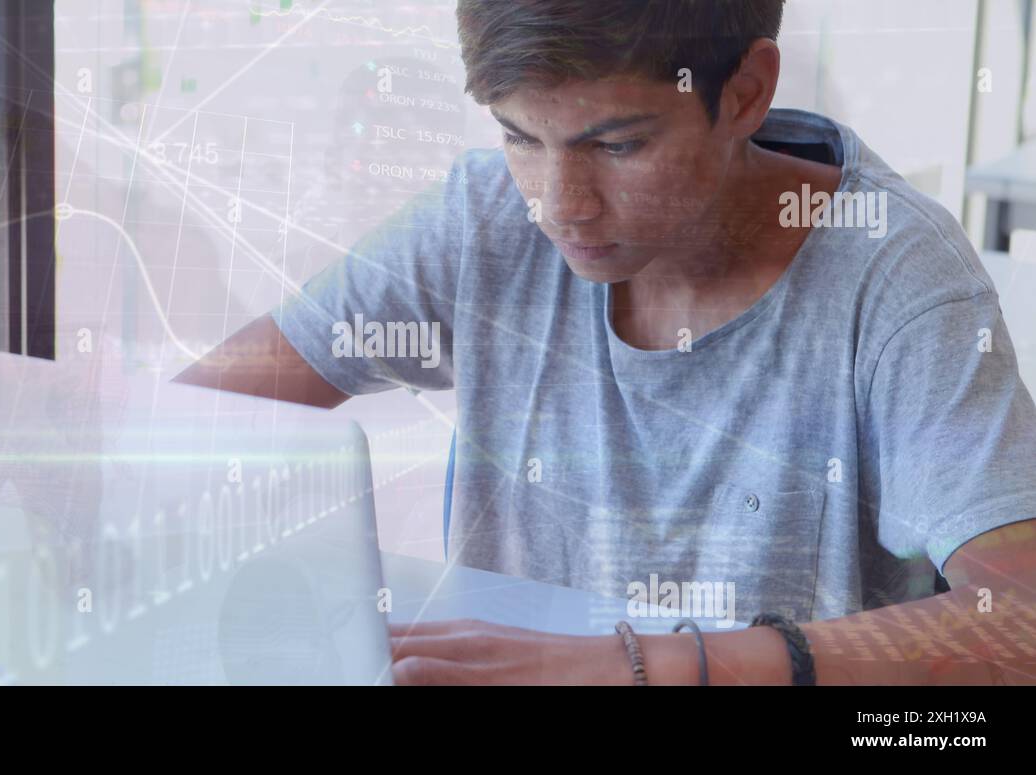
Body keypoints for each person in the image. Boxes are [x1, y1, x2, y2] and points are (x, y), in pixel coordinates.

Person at [175, 0, 1036, 684]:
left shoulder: (896, 276)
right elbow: (182, 424)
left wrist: (640, 669)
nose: (560, 204)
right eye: (519, 136)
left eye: (617, 144)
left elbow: (1022, 622)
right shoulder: (486, 220)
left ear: (743, 93)